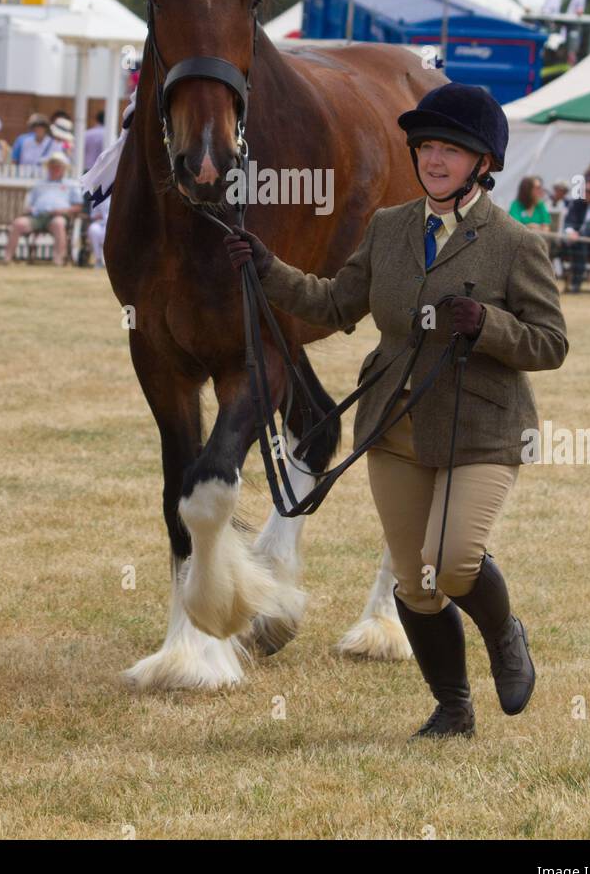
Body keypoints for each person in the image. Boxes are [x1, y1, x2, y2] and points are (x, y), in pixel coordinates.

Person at [225, 83, 568, 740]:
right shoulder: (388, 228)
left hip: (481, 428)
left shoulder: (516, 243)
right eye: (427, 147)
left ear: (483, 163)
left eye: (451, 150)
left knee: (454, 559)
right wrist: (267, 268)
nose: (434, 160)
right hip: (392, 425)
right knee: (414, 583)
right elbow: (332, 303)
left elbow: (549, 344)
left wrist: (488, 324)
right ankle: (453, 708)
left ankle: (503, 634)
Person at [3, 152, 83, 267]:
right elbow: (28, 203)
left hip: (57, 216)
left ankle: (58, 261)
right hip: (37, 216)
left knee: (59, 223)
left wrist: (63, 211)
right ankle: (7, 258)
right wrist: (29, 209)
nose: (54, 168)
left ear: (63, 168)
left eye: (57, 166)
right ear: (48, 167)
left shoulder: (71, 184)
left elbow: (78, 207)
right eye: (52, 166)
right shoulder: (39, 184)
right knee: (18, 223)